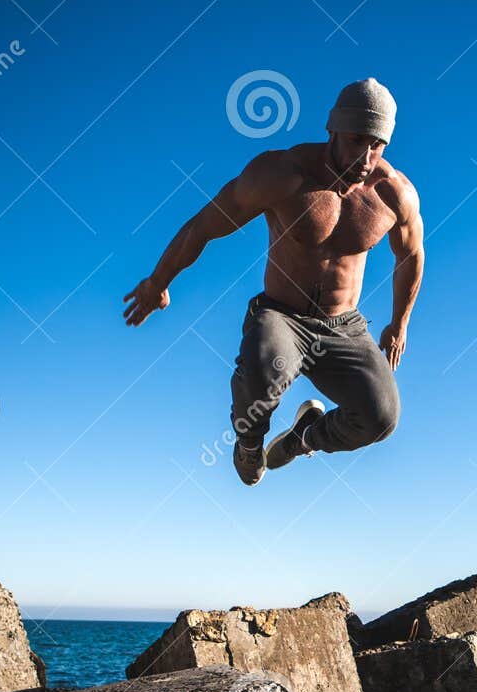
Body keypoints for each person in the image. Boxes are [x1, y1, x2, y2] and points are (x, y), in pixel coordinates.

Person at [123, 78, 425, 485]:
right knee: (265, 370)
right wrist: (159, 281)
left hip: (344, 326)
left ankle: (304, 437)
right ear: (333, 128)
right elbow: (204, 226)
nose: (367, 156)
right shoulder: (282, 174)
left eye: (378, 144)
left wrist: (398, 324)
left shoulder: (393, 194)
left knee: (381, 417)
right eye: (357, 140)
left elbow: (410, 255)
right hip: (282, 314)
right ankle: (250, 444)